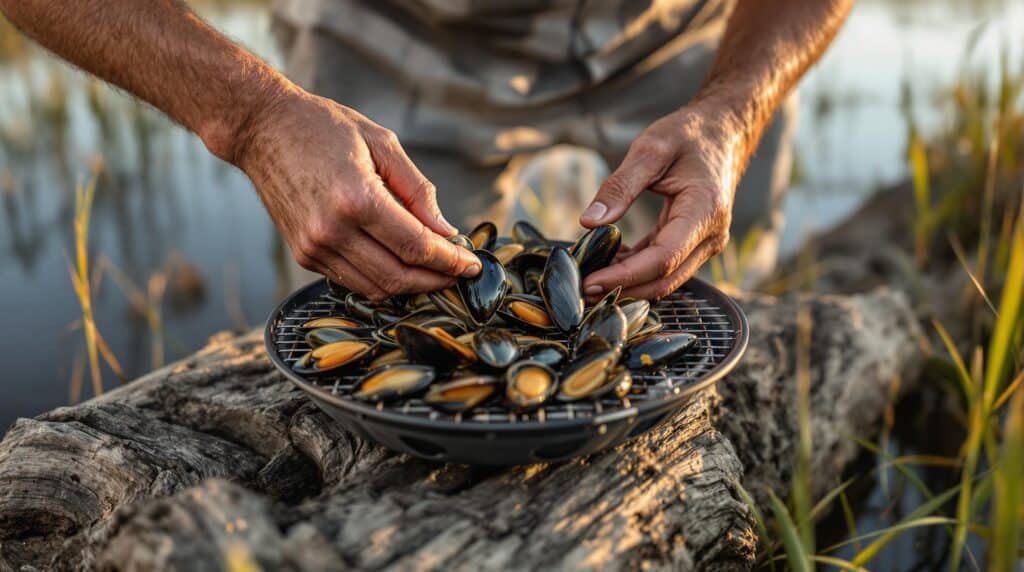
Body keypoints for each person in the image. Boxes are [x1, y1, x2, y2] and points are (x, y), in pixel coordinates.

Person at [0, 0, 851, 301]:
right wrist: (254, 117)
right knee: (383, 303)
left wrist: (733, 114)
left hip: (689, 36)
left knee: (695, 304)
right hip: (392, 27)